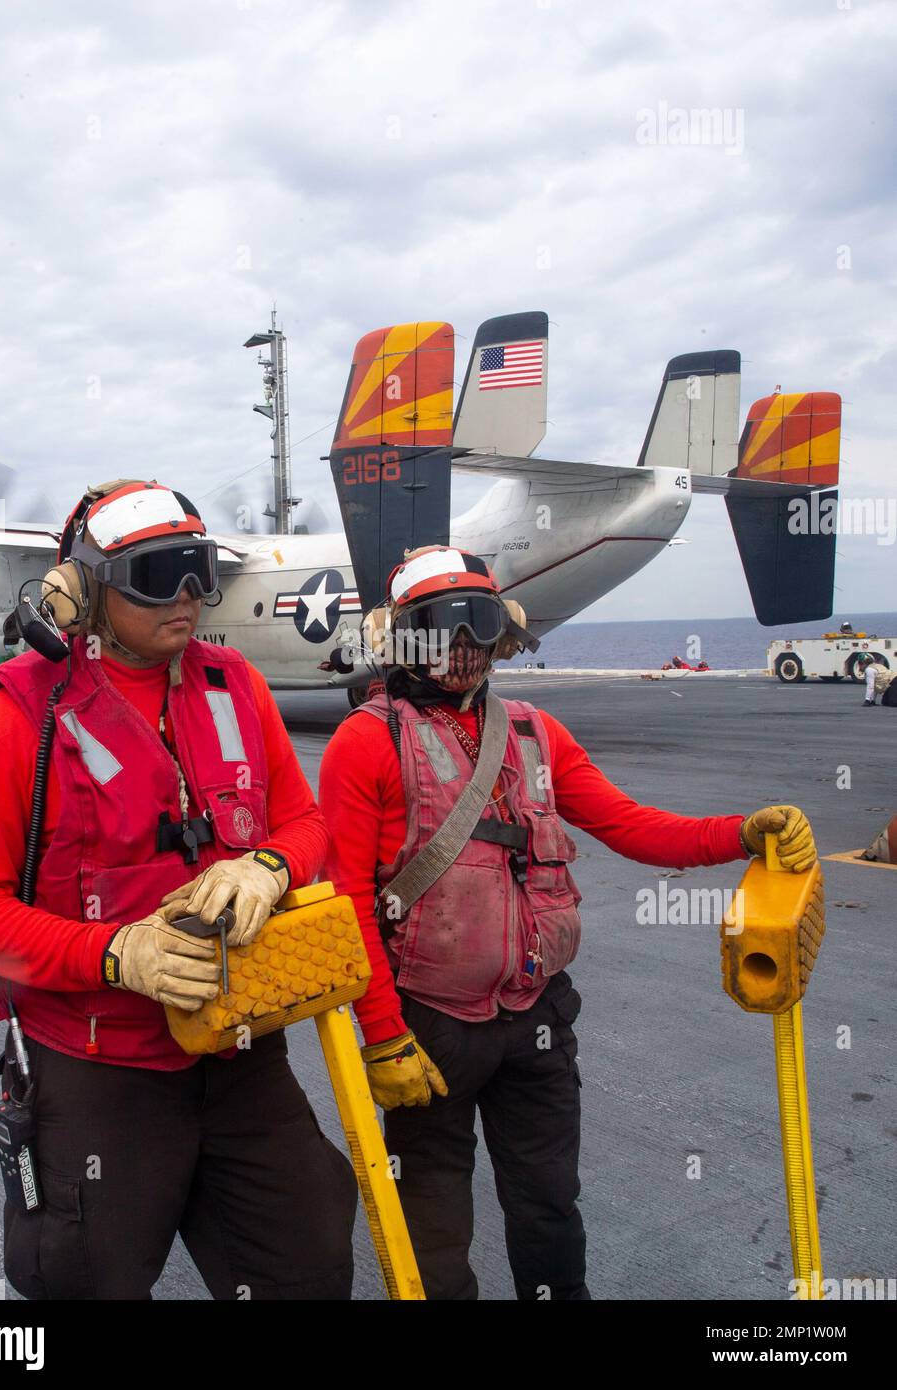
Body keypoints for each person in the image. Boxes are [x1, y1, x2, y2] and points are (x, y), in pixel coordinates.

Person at [318, 545, 818, 1301]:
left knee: (550, 1208)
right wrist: (383, 1037)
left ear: (502, 631)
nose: (460, 650)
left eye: (477, 625)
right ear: (401, 639)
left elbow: (632, 826)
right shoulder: (366, 741)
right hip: (427, 1027)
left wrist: (741, 832)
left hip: (538, 1017)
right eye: (438, 629)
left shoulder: (534, 734)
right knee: (434, 1221)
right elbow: (347, 897)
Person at [0, 479, 357, 1300]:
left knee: (307, 1260)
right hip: (99, 1069)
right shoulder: (24, 711)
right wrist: (117, 952)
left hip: (241, 1049)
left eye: (200, 570)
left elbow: (306, 824)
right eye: (159, 575)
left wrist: (265, 866)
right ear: (90, 587)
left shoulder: (233, 683)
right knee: (85, 1280)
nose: (191, 597)